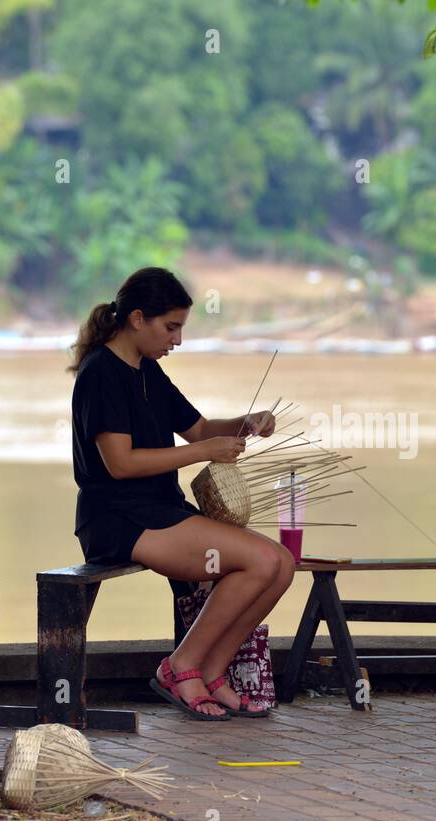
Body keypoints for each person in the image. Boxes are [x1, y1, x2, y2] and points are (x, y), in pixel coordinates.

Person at [68, 266, 294, 720]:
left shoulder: (148, 371)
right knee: (262, 559)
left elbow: (200, 429)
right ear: (137, 319)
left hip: (163, 510)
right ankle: (181, 666)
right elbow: (121, 463)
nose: (177, 339)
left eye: (181, 328)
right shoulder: (101, 375)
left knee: (283, 565)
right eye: (170, 327)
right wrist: (205, 452)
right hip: (118, 518)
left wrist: (248, 423)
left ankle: (211, 671)